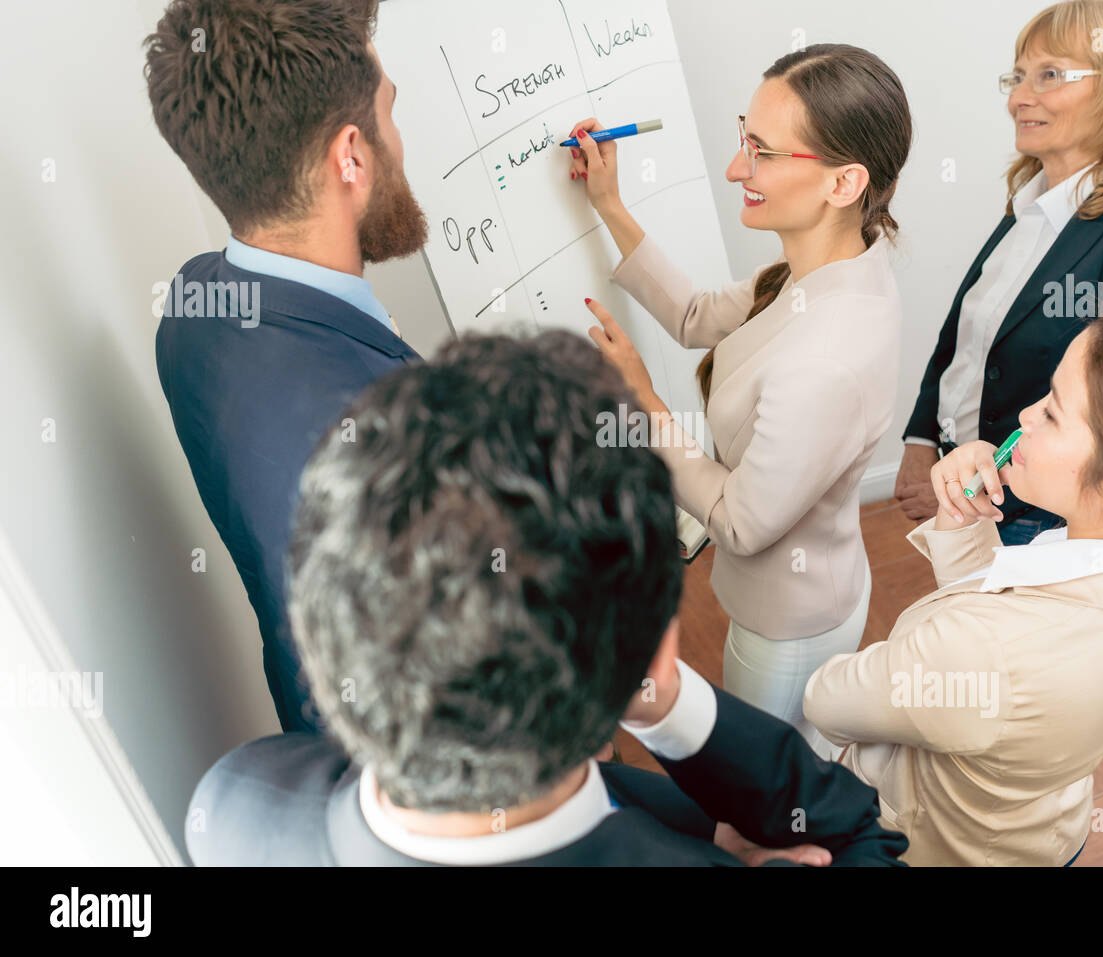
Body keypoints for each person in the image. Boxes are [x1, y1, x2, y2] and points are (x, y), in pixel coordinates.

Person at [184, 331, 909, 867]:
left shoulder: (236, 798)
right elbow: (861, 837)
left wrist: (693, 836)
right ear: (655, 640)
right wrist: (661, 705)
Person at [804, 293, 1103, 866]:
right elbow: (1014, 626)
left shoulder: (987, 652)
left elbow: (826, 698)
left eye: (1052, 413)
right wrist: (965, 527)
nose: (1024, 417)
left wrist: (914, 652)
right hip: (1040, 829)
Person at [569, 44, 912, 755]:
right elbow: (695, 314)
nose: (735, 169)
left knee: (758, 799)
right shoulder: (825, 266)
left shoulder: (829, 352)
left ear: (844, 181)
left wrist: (643, 403)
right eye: (741, 138)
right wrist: (609, 203)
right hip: (820, 583)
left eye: (760, 150)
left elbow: (742, 523)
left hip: (787, 623)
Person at [143, 0, 429, 731]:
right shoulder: (394, 442)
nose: (401, 133)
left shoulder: (192, 302)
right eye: (390, 109)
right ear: (351, 156)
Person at [894, 0, 1103, 546]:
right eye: (1017, 77)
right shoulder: (1026, 206)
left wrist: (982, 489)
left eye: (1050, 75)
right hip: (969, 495)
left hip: (1036, 519)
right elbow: (966, 335)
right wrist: (923, 440)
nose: (1017, 99)